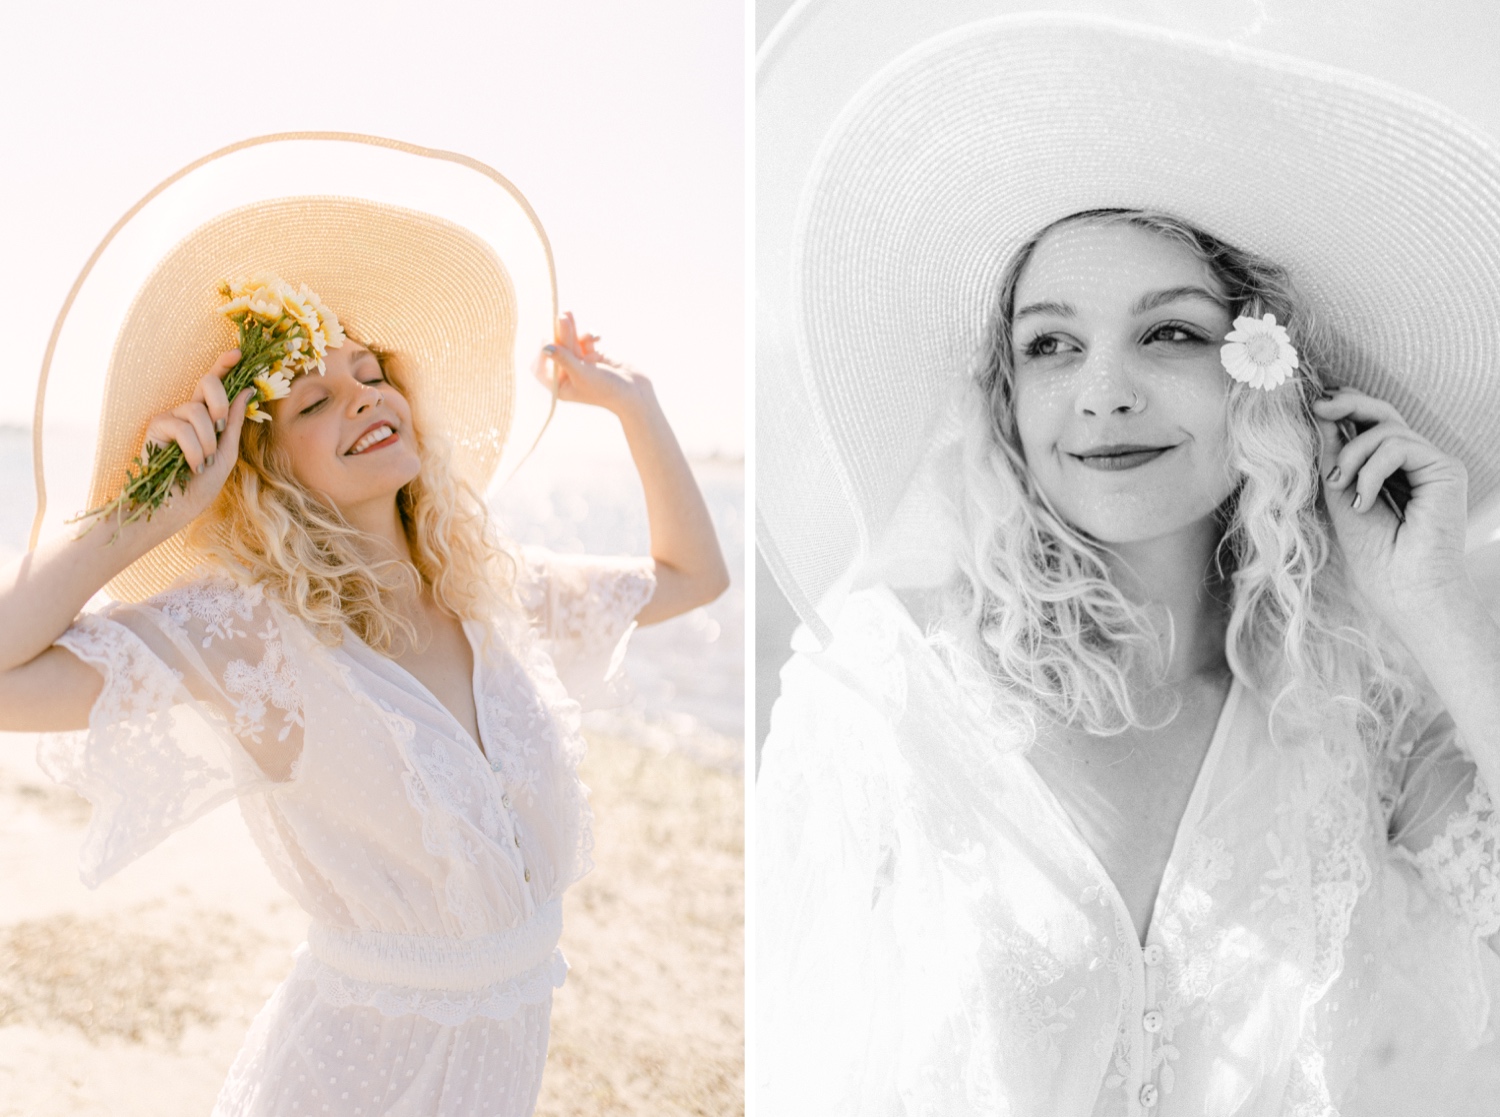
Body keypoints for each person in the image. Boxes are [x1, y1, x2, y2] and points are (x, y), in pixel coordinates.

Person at [756, 11, 1500, 1115]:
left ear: (1269, 375)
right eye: (1049, 344)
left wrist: (1433, 602)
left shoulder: (1357, 710)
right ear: (1007, 402)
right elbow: (786, 1055)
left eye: (1171, 333)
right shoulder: (884, 691)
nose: (1102, 390)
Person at [0, 183, 728, 1114]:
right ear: (268, 464)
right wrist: (154, 509)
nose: (363, 397)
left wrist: (638, 407)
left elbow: (693, 578)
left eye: (371, 372)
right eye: (314, 401)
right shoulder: (253, 637)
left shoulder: (493, 590)